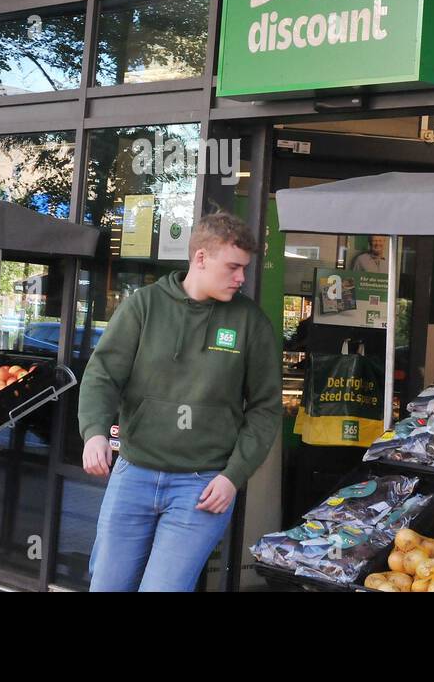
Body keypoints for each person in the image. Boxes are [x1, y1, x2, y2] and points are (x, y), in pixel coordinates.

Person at [79, 210, 281, 592]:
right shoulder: (144, 305)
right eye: (233, 267)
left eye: (244, 269)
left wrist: (233, 476)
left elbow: (265, 408)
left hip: (202, 486)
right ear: (201, 258)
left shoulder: (250, 322)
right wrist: (94, 433)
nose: (241, 278)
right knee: (107, 585)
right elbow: (102, 375)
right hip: (133, 473)